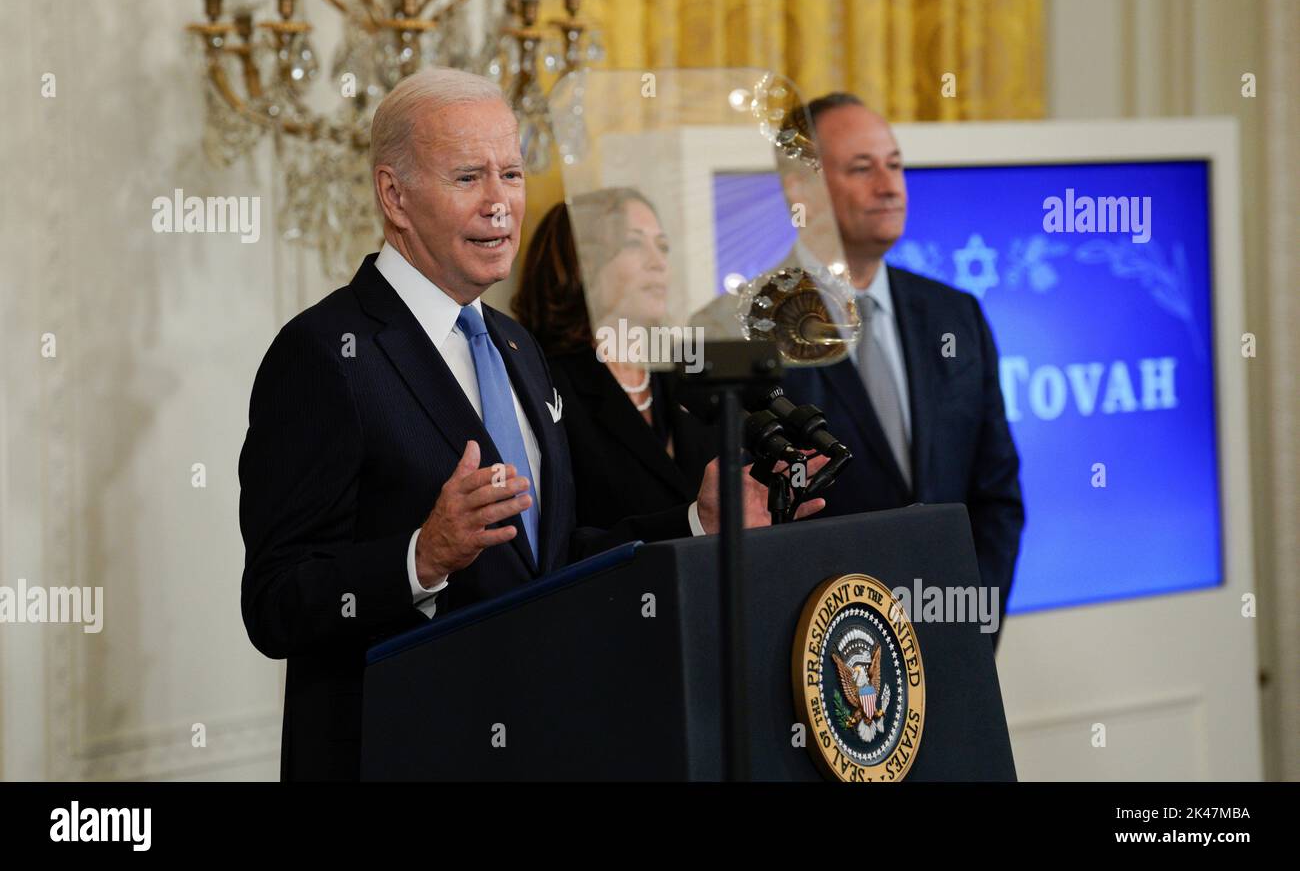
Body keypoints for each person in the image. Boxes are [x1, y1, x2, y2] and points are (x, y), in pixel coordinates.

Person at [238, 67, 824, 781]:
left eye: (511, 173)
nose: (500, 204)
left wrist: (696, 522)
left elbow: (553, 560)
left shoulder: (518, 347)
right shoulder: (326, 352)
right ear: (394, 195)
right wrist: (421, 557)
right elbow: (274, 603)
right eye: (467, 178)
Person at [775, 92, 1025, 643]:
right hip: (819, 672)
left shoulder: (955, 315)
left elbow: (996, 496)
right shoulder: (746, 329)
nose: (890, 187)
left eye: (894, 165)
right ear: (801, 188)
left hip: (952, 653)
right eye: (862, 169)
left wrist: (970, 636)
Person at [513, 191, 715, 529]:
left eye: (663, 246)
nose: (658, 261)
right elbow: (561, 545)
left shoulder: (689, 373)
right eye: (635, 245)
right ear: (581, 261)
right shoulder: (544, 384)